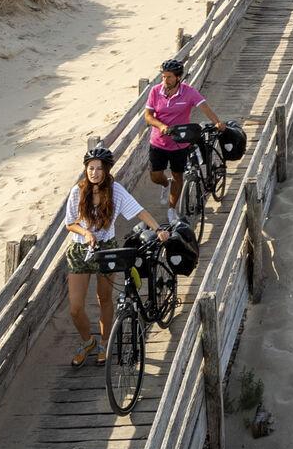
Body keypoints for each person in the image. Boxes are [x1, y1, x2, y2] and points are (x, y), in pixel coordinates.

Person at [63, 145, 162, 367]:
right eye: (90, 168)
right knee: (75, 307)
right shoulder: (77, 192)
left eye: (99, 168)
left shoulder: (115, 190)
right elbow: (70, 223)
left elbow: (139, 211)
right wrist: (86, 232)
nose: (94, 172)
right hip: (80, 250)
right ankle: (88, 341)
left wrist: (157, 229)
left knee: (104, 298)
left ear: (106, 170)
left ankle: (104, 343)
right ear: (85, 169)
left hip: (106, 248)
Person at [142, 59, 227, 218]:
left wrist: (218, 122)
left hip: (179, 143)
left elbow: (205, 108)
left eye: (169, 77)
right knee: (155, 176)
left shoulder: (189, 92)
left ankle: (172, 209)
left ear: (178, 78)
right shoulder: (155, 91)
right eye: (163, 77)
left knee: (178, 176)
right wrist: (161, 126)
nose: (165, 81)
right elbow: (148, 116)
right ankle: (165, 184)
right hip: (158, 141)